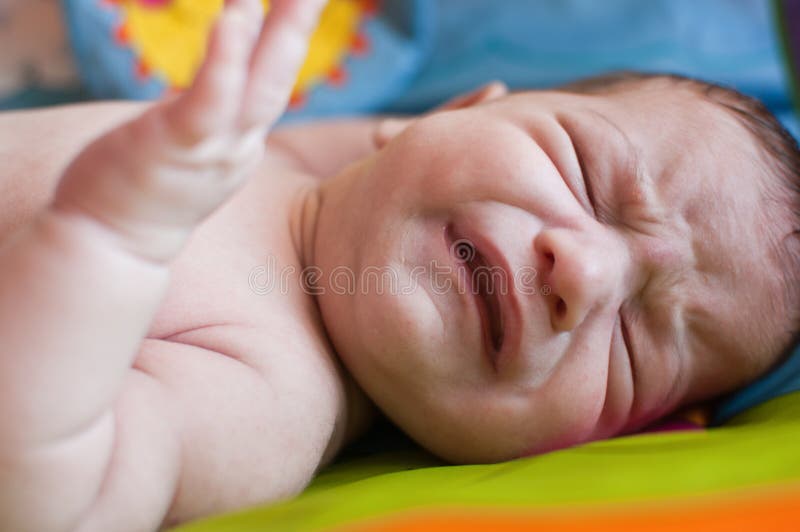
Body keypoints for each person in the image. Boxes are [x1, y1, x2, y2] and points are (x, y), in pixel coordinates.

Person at [1, 0, 798, 530]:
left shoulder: (272, 394)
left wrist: (106, 239)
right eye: (584, 172)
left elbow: (55, 500)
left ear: (580, 441)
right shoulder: (298, 163)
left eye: (636, 344)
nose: (584, 277)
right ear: (455, 110)